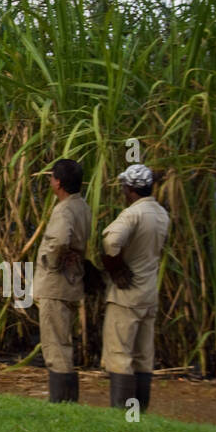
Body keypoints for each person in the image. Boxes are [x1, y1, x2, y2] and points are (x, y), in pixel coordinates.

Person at [101, 163, 170, 412]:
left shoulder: (133, 214)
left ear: (130, 189)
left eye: (124, 187)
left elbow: (111, 242)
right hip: (149, 293)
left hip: (127, 295)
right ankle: (140, 411)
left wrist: (116, 268)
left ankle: (122, 412)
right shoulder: (161, 214)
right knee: (143, 356)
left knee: (120, 355)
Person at [34, 158, 91, 402]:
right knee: (63, 341)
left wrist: (50, 264)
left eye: (51, 177)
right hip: (72, 282)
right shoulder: (82, 206)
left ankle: (60, 401)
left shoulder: (65, 209)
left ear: (58, 182)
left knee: (54, 343)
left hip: (56, 285)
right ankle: (69, 400)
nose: (50, 181)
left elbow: (58, 241)